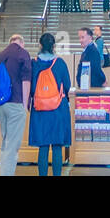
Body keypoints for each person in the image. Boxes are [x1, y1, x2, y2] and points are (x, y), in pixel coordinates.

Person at [28, 32, 72, 176]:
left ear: (40, 45)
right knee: (57, 145)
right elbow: (67, 84)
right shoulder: (59, 63)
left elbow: (31, 87)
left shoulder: (34, 63)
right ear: (53, 46)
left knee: (43, 145)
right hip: (58, 108)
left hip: (40, 108)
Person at [0, 34, 32, 176]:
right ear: (22, 43)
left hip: (1, 104)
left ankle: (4, 170)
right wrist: (25, 105)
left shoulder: (0, 55)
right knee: (12, 146)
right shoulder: (23, 54)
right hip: (16, 103)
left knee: (6, 141)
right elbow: (26, 81)